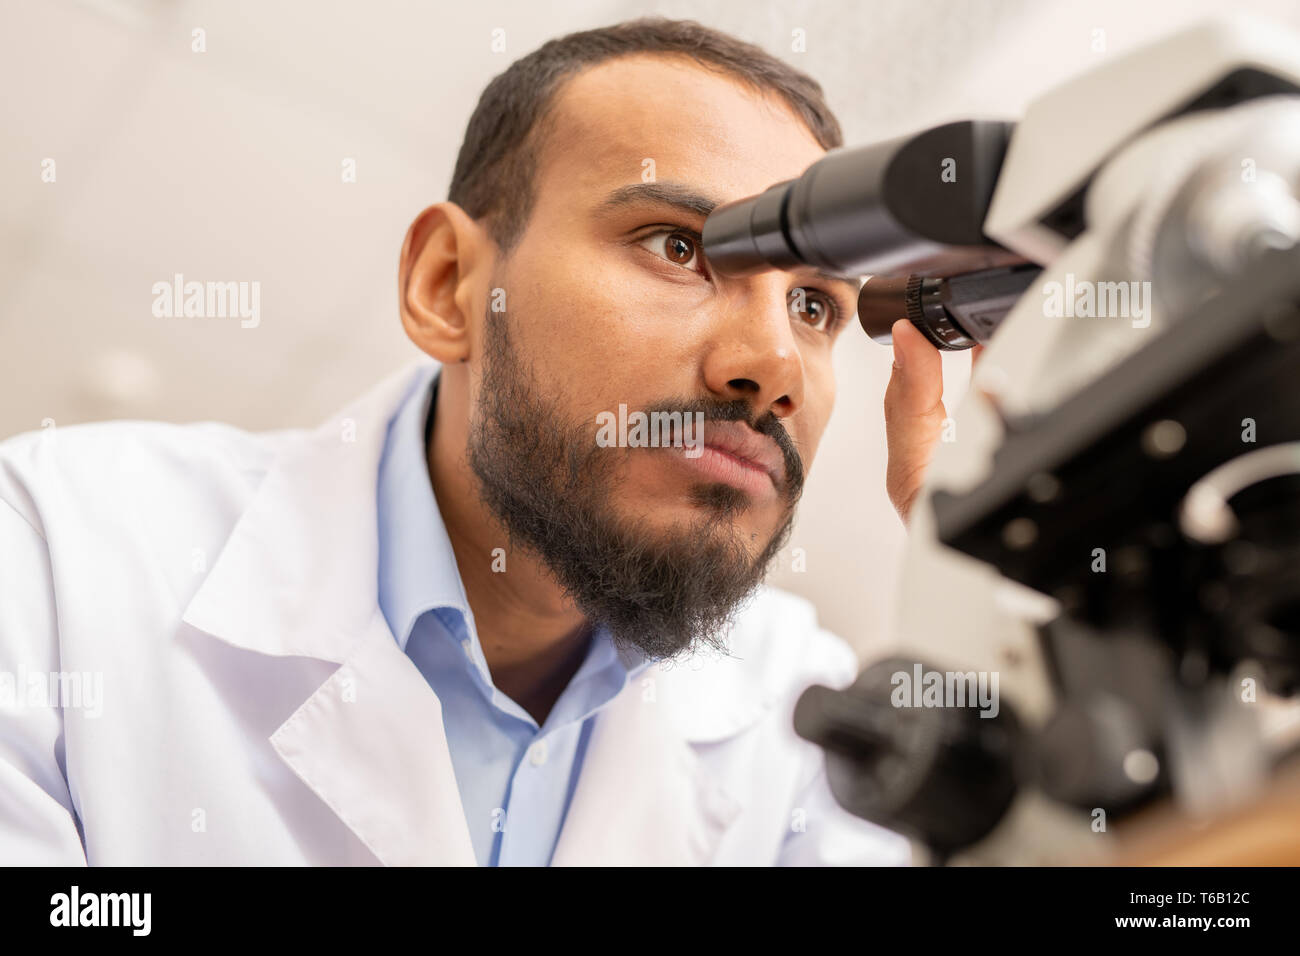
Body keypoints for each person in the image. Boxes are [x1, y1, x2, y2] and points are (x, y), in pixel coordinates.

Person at [0, 17, 955, 866]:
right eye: (679, 247)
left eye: (814, 305)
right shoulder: (54, 557)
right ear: (449, 284)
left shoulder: (813, 717)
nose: (773, 365)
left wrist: (1009, 589)